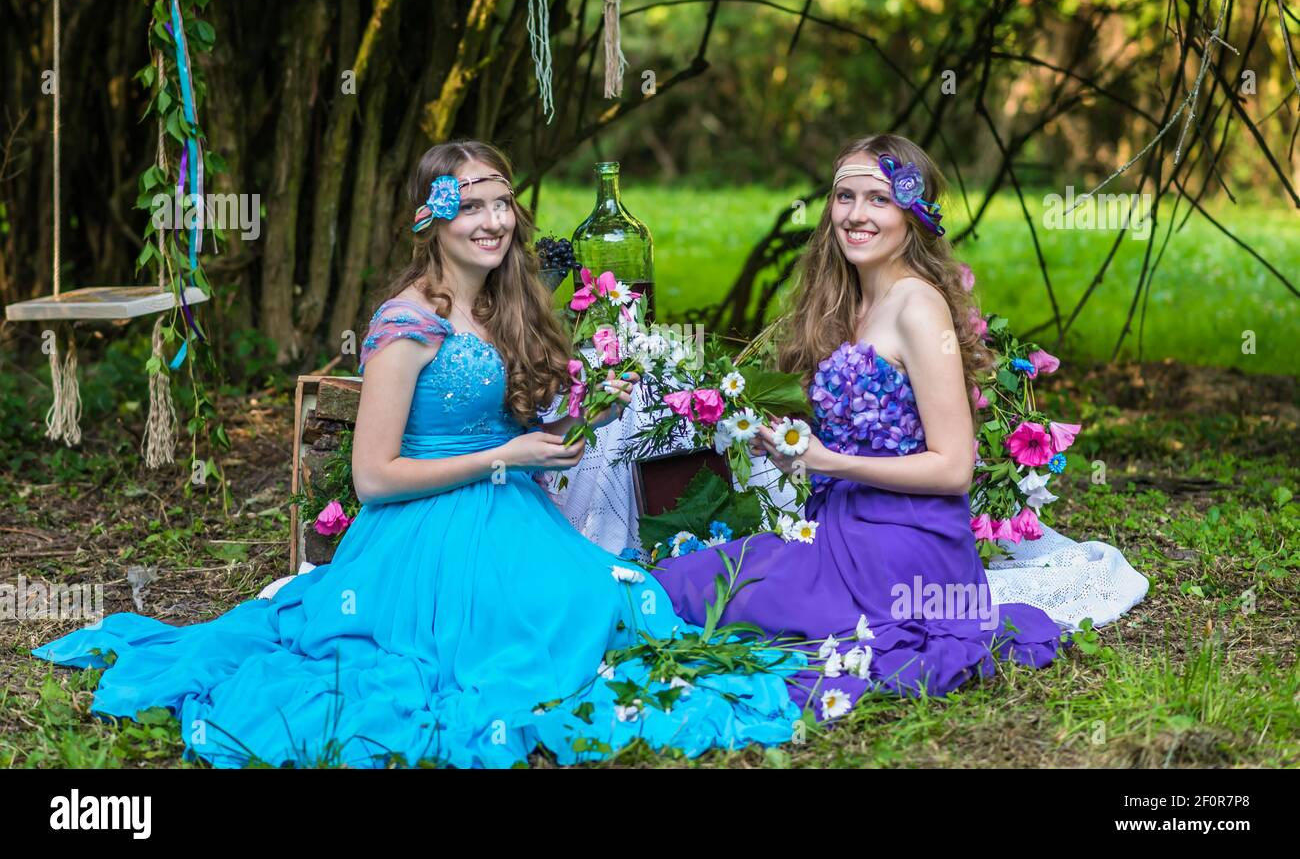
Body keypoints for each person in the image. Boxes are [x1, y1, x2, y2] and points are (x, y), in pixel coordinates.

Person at [30, 140, 802, 768]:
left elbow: (524, 423)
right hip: (426, 525)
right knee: (485, 653)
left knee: (600, 606)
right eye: (470, 206)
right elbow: (371, 478)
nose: (493, 220)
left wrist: (564, 430)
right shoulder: (406, 321)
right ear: (432, 219)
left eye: (502, 202)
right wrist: (504, 458)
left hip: (513, 513)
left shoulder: (507, 305)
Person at [651, 133, 1070, 721]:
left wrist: (831, 463)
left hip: (904, 545)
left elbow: (954, 468)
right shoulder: (847, 301)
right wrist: (794, 454)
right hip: (839, 524)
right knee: (689, 584)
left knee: (711, 598)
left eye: (877, 199)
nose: (855, 214)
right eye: (844, 197)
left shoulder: (917, 306)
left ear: (912, 211)